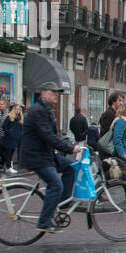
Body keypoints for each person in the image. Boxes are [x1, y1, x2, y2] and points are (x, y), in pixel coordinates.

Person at [21, 83, 83, 234]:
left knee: (71, 167)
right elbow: (46, 135)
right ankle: (44, 222)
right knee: (56, 185)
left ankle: (62, 203)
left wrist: (68, 143)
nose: (56, 95)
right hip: (37, 157)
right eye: (53, 92)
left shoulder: (47, 110)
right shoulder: (37, 111)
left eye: (58, 93)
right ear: (43, 93)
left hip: (47, 155)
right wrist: (69, 148)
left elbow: (53, 135)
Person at [0, 104, 24, 174]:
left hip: (16, 138)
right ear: (13, 109)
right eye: (16, 109)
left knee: (11, 152)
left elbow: (21, 128)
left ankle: (6, 166)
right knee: (8, 153)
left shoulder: (20, 118)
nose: (18, 111)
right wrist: (10, 133)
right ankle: (8, 167)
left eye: (19, 109)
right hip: (9, 138)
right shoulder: (9, 117)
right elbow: (4, 126)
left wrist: (20, 134)